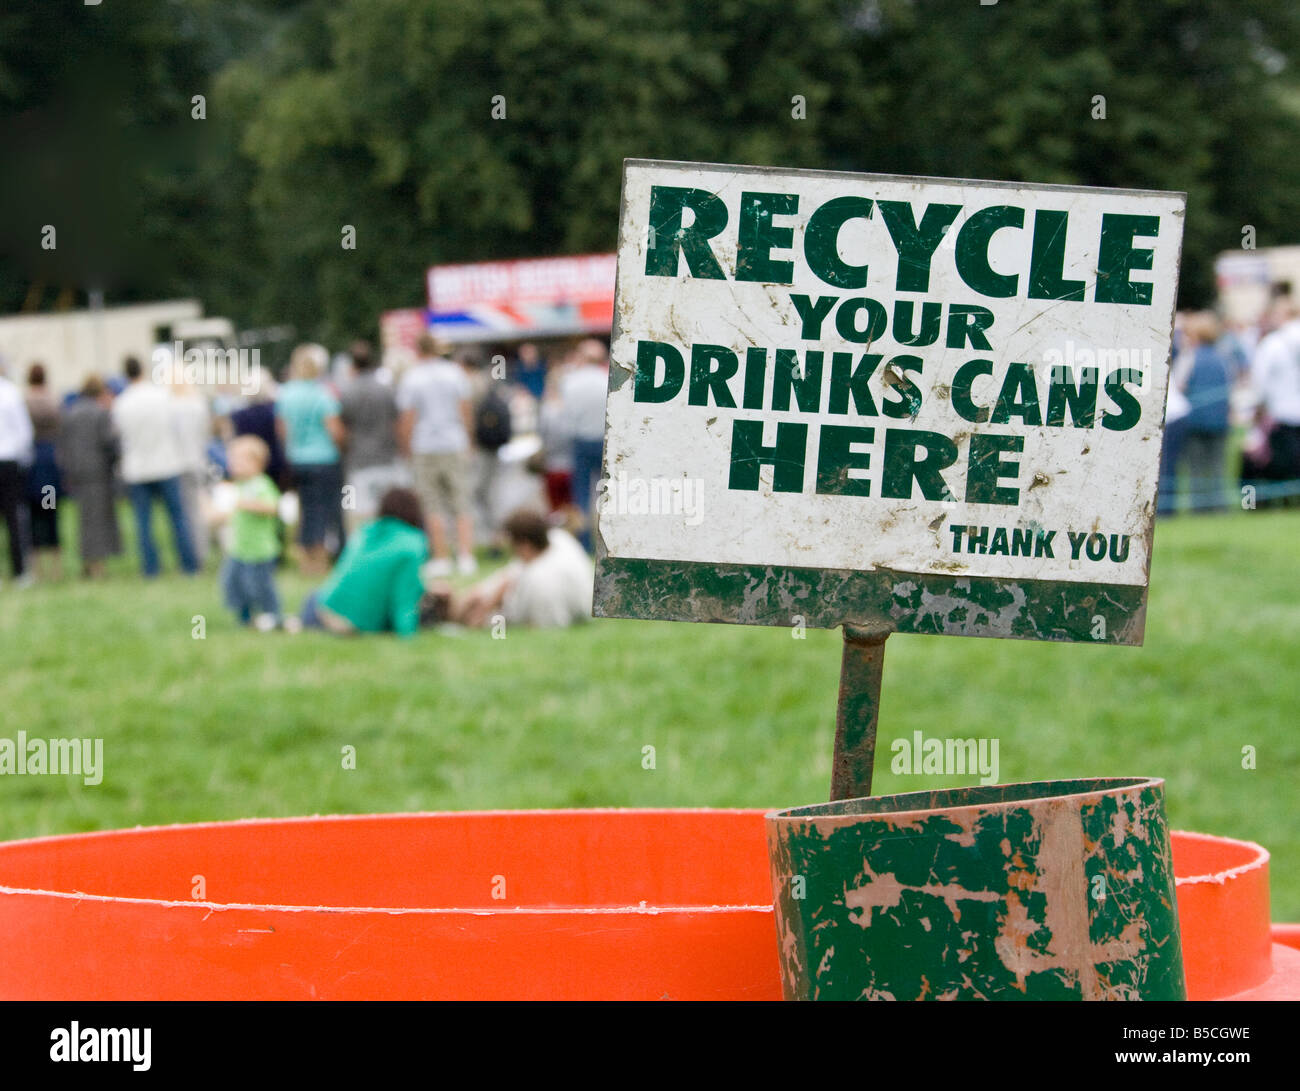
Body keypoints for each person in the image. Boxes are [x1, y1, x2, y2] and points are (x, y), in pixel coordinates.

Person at [428, 507, 593, 630]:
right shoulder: (557, 539)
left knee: (478, 607)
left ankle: (446, 613)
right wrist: (491, 596)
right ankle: (449, 609)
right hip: (567, 604)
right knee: (478, 596)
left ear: (524, 545)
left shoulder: (540, 582)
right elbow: (515, 572)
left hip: (542, 612)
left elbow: (532, 623)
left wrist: (484, 616)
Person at [299, 486, 429, 638]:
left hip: (321, 608)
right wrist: (407, 634)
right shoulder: (412, 544)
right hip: (350, 624)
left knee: (313, 596)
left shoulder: (365, 532)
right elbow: (404, 599)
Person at [111, 356, 199, 577]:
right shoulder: (163, 397)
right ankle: (189, 565)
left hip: (137, 468)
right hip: (167, 463)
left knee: (143, 522)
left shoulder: (122, 403)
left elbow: (119, 437)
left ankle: (151, 568)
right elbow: (176, 428)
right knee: (177, 517)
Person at [397, 333, 476, 577]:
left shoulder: (412, 378)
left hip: (425, 445)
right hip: (454, 442)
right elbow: (465, 410)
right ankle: (465, 555)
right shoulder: (454, 373)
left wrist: (406, 448)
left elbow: (408, 417)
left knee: (431, 504)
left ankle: (441, 556)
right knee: (460, 500)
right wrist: (469, 441)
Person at [276, 343, 345, 576]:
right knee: (325, 512)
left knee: (306, 510)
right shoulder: (323, 394)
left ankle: (306, 563)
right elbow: (334, 430)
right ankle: (321, 562)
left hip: (298, 459)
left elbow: (283, 430)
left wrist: (292, 452)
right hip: (324, 459)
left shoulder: (286, 394)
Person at [56, 375, 122, 578]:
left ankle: (87, 563)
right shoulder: (101, 413)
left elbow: (62, 445)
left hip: (77, 474)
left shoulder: (69, 413)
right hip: (99, 473)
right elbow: (110, 443)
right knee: (99, 521)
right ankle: (97, 568)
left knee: (84, 520)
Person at [217, 435, 284, 631]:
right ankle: (245, 617)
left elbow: (274, 508)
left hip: (260, 551)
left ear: (258, 463)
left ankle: (273, 616)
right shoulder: (238, 486)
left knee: (261, 586)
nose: (234, 464)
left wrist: (248, 504)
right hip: (239, 548)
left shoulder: (261, 484)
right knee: (234, 583)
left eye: (240, 460)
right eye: (232, 459)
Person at [338, 339, 405, 532]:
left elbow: (342, 429)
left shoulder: (347, 392)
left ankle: (368, 549)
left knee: (361, 512)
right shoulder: (386, 389)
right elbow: (397, 423)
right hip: (387, 457)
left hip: (359, 460)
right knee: (390, 509)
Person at [1174, 312, 1232, 512]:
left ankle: (1199, 507)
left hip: (1195, 419)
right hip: (1219, 419)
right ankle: (1219, 506)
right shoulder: (1224, 357)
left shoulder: (1189, 357)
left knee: (1195, 468)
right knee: (1217, 466)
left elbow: (1180, 386)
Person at [1248, 299, 1300, 504]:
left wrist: (1257, 408)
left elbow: (1259, 380)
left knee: (1281, 461)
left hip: (1282, 411)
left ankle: (1282, 499)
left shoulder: (1273, 343)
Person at [559, 338, 609, 550]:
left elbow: (566, 415)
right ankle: (606, 539)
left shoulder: (570, 381)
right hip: (604, 439)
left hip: (580, 440)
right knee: (606, 491)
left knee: (581, 493)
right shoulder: (607, 378)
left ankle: (583, 542)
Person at [23, 364, 63, 580]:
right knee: (51, 511)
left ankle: (38, 568)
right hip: (50, 461)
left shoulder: (25, 401)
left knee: (33, 514)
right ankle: (57, 568)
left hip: (32, 462)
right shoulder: (53, 400)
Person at [171, 375, 214, 567]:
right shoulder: (198, 405)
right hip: (197, 461)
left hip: (177, 464)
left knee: (183, 513)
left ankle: (191, 555)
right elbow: (206, 434)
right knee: (196, 509)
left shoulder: (170, 406)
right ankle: (200, 551)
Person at [0, 365, 33, 587]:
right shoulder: (10, 393)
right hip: (9, 461)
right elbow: (24, 431)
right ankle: (20, 572)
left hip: (9, 458)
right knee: (13, 517)